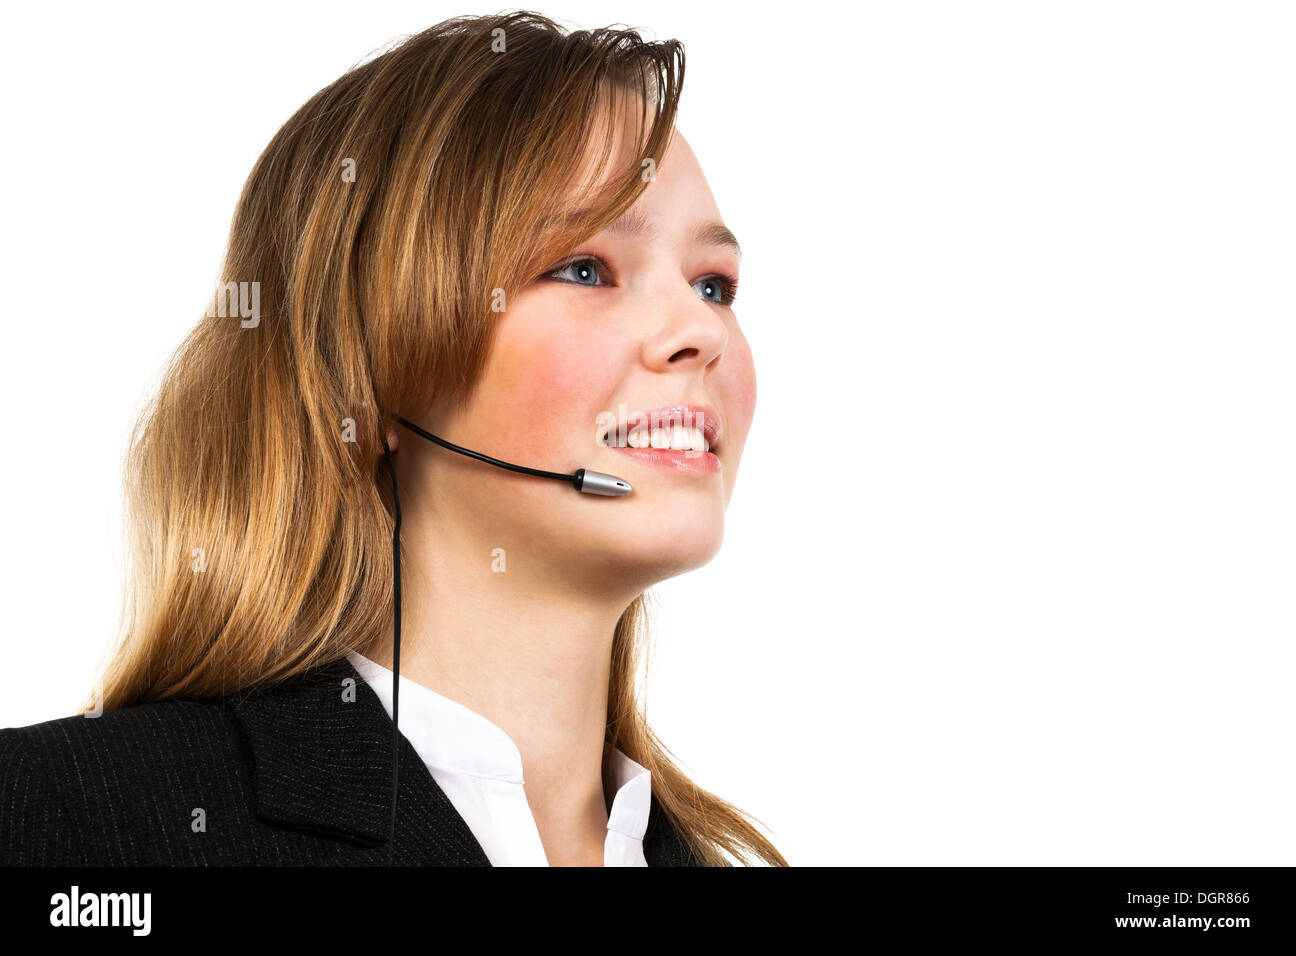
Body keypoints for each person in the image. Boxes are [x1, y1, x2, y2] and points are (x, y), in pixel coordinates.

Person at [0, 11, 785, 867]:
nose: (699, 331)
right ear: (366, 379)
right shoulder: (62, 821)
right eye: (585, 268)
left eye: (715, 285)